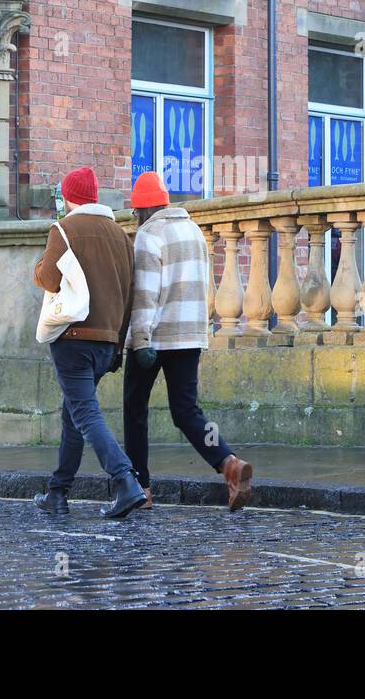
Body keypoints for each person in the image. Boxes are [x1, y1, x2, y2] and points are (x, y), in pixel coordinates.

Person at [123, 171, 254, 512]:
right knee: (187, 411)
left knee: (134, 409)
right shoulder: (193, 230)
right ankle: (227, 461)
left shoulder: (149, 235)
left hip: (153, 337)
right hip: (190, 333)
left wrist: (139, 339)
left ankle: (141, 487)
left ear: (140, 211)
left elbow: (144, 294)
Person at [32, 166, 148, 519]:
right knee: (74, 413)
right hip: (107, 340)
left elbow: (49, 279)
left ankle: (125, 480)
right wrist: (117, 347)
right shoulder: (120, 235)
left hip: (73, 339)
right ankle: (58, 491)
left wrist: (37, 266)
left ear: (68, 197)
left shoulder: (64, 229)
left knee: (85, 413)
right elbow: (130, 296)